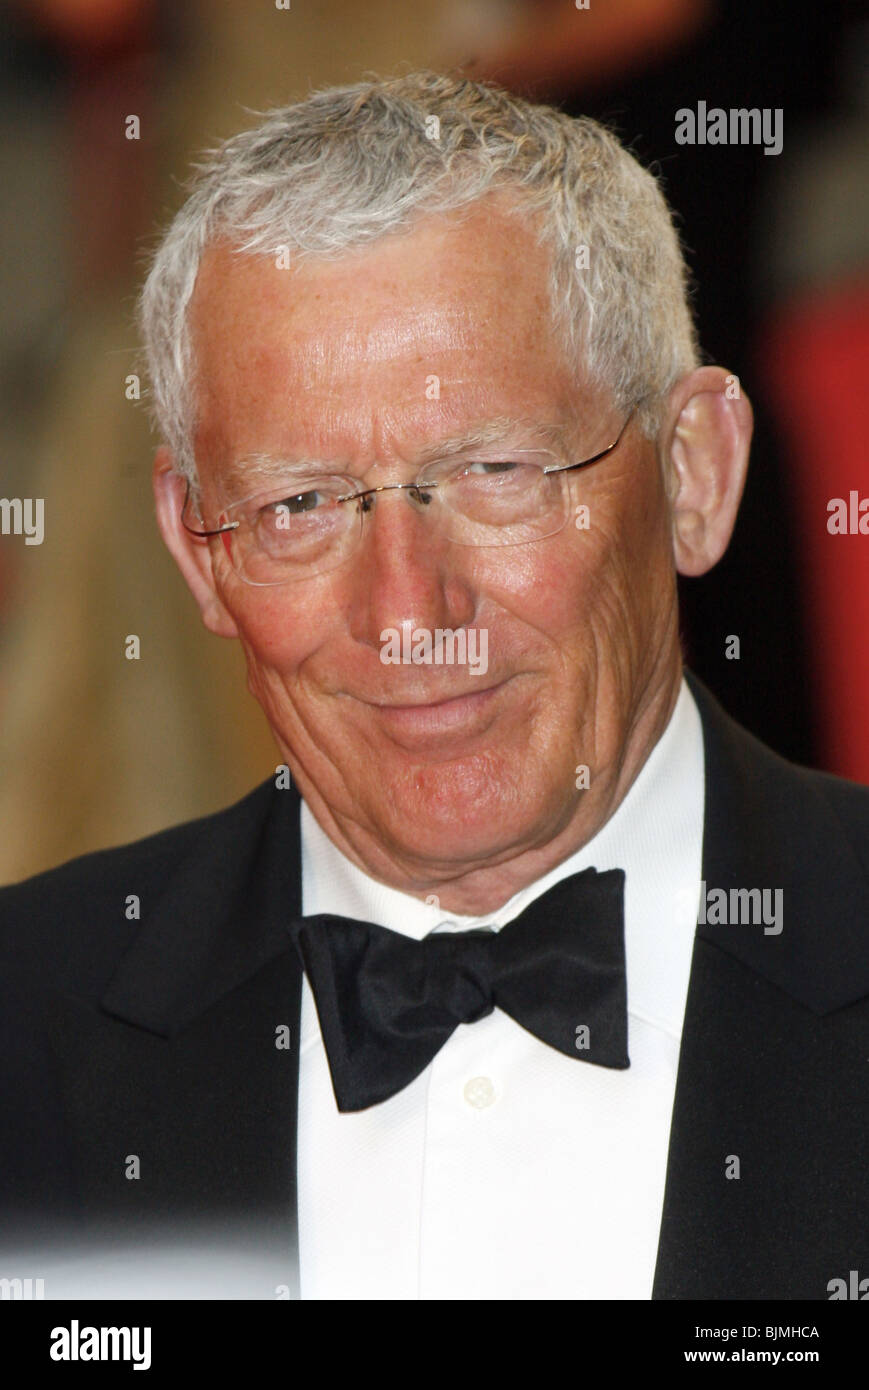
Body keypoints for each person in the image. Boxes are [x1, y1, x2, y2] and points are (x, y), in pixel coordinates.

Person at [1, 71, 867, 1301]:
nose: (408, 611)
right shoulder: (24, 1029)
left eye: (495, 471)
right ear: (198, 544)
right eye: (300, 505)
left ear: (693, 474)